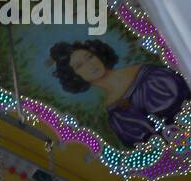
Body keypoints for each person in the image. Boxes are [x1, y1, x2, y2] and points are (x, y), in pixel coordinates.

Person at [49, 39, 190, 149]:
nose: (90, 65)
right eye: (79, 66)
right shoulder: (117, 116)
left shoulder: (150, 75)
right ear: (74, 76)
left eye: (90, 57)